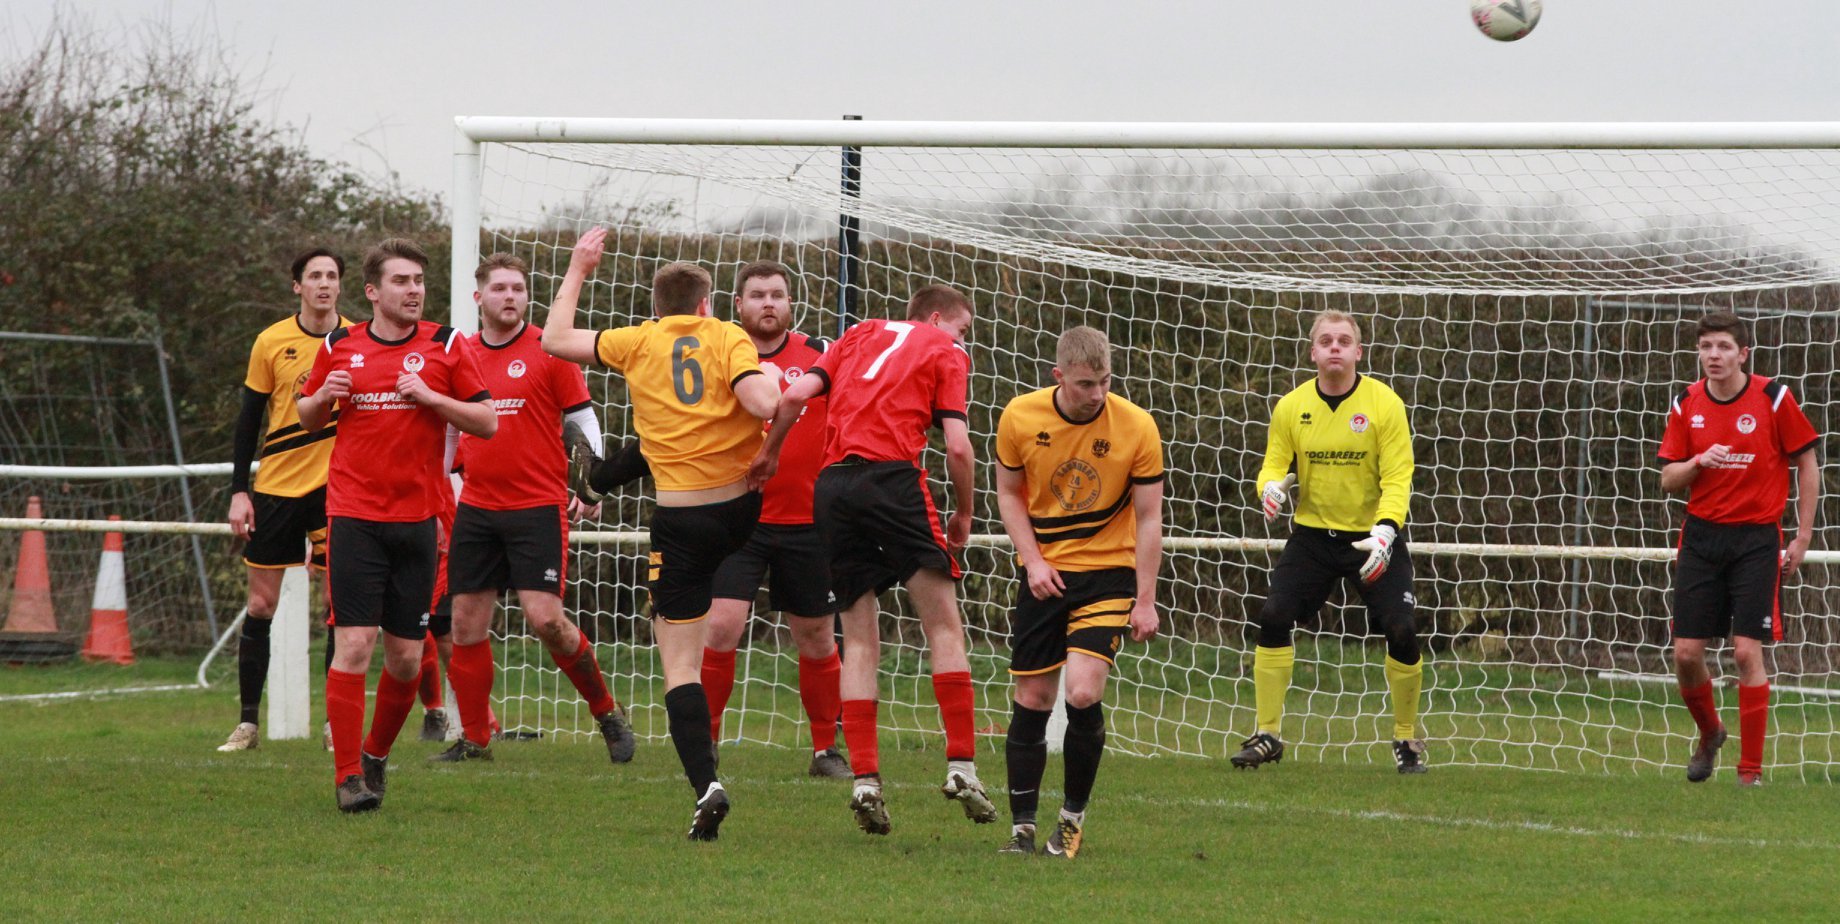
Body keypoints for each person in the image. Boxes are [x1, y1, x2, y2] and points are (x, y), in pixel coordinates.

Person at [541, 227, 780, 841]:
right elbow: (760, 403)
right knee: (660, 436)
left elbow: (555, 340)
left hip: (682, 520)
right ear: (707, 305)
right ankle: (596, 481)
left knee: (680, 664)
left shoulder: (638, 340)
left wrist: (579, 268)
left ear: (655, 308)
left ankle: (708, 785)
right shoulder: (729, 336)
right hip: (743, 513)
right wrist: (773, 398)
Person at [747, 283, 994, 837]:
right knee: (944, 626)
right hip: (894, 481)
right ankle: (961, 765)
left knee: (858, 638)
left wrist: (768, 454)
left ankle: (864, 779)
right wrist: (964, 516)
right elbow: (957, 446)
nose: (963, 340)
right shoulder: (945, 350)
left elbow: (790, 400)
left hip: (831, 488)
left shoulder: (854, 335)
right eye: (963, 328)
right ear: (936, 318)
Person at [299, 238, 497, 813]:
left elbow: (486, 422)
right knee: (355, 644)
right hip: (354, 517)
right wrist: (323, 398)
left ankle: (376, 755)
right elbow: (308, 417)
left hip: (417, 523)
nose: (414, 291)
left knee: (407, 659)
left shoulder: (445, 344)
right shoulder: (341, 344)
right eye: (402, 282)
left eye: (418, 282)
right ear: (372, 291)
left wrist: (433, 397)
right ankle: (346, 777)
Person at [433, 252, 637, 766]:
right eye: (499, 288)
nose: (510, 297)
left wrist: (589, 482)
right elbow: (453, 429)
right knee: (464, 627)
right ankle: (475, 740)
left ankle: (607, 712)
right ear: (479, 298)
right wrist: (444, 487)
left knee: (547, 621)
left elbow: (583, 419)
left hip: (536, 507)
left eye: (518, 289)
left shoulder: (549, 349)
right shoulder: (462, 353)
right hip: (476, 508)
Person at [992, 326, 1163, 859]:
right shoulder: (1019, 417)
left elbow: (1151, 515)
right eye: (1086, 383)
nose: (1097, 394)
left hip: (1108, 575)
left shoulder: (1137, 426)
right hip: (1046, 574)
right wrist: (1033, 562)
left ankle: (1070, 821)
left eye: (1105, 381)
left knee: (1083, 692)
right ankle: (1021, 829)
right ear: (1058, 376)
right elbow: (1009, 494)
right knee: (1033, 698)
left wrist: (1146, 598)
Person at [1236, 310, 1427, 774]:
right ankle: (1267, 734)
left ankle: (1407, 741)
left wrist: (1386, 528)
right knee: (1273, 615)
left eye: (1344, 340)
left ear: (1358, 351)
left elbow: (1399, 476)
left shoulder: (1385, 404)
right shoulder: (1291, 407)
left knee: (1401, 628)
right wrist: (1271, 489)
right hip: (1314, 536)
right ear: (1313, 352)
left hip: (1373, 538)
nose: (1335, 347)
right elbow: (1273, 465)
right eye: (1326, 341)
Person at [697, 261, 848, 779]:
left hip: (807, 520)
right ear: (737, 305)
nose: (768, 303)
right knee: (720, 626)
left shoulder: (820, 357)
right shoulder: (718, 354)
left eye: (777, 295)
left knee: (816, 636)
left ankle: (826, 750)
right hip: (737, 517)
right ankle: (707, 744)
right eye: (757, 295)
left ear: (790, 304)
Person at [1658, 311, 1819, 787]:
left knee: (1747, 653)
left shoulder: (1773, 397)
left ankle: (1750, 774)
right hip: (1702, 538)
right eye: (1706, 347)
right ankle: (1710, 734)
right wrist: (1697, 462)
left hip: (1755, 540)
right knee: (1686, 654)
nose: (1714, 356)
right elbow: (1668, 478)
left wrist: (1803, 536)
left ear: (1743, 353)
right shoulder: (1687, 403)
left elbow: (1807, 464)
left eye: (1724, 347)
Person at [219, 248, 349, 752]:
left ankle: (335, 724)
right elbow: (248, 421)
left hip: (336, 491)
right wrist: (238, 491)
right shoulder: (271, 341)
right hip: (275, 489)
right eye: (314, 275)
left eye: (332, 276)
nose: (323, 283)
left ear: (341, 286)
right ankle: (248, 724)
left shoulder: (355, 340)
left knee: (341, 607)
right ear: (297, 286)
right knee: (261, 604)